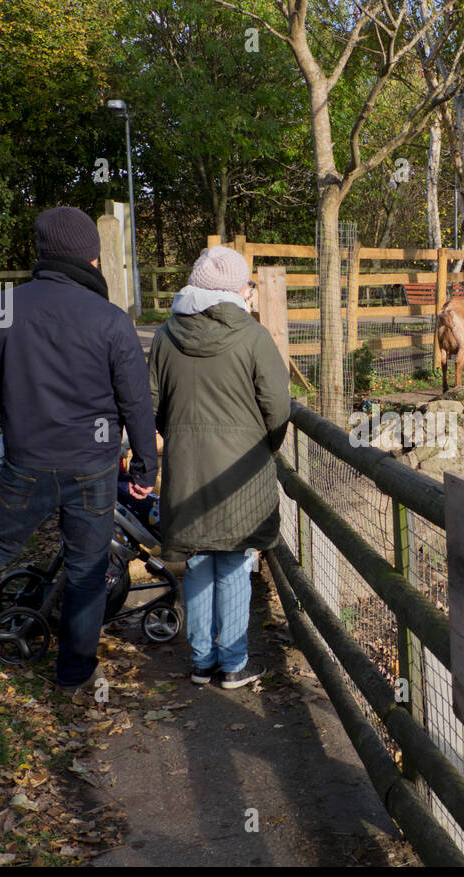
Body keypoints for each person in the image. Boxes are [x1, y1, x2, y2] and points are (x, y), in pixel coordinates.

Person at [0, 206, 158, 694]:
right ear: (92, 258)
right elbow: (136, 401)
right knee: (88, 568)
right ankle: (73, 674)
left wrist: (16, 411)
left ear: (43, 253)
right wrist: (146, 469)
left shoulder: (4, 306)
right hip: (93, 463)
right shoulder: (111, 319)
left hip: (26, 457)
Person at [149, 246, 289, 689]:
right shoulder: (253, 336)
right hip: (240, 474)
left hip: (186, 470)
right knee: (233, 562)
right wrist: (266, 447)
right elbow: (278, 407)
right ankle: (232, 663)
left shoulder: (166, 335)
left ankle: (201, 660)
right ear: (237, 290)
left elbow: (150, 404)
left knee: (195, 561)